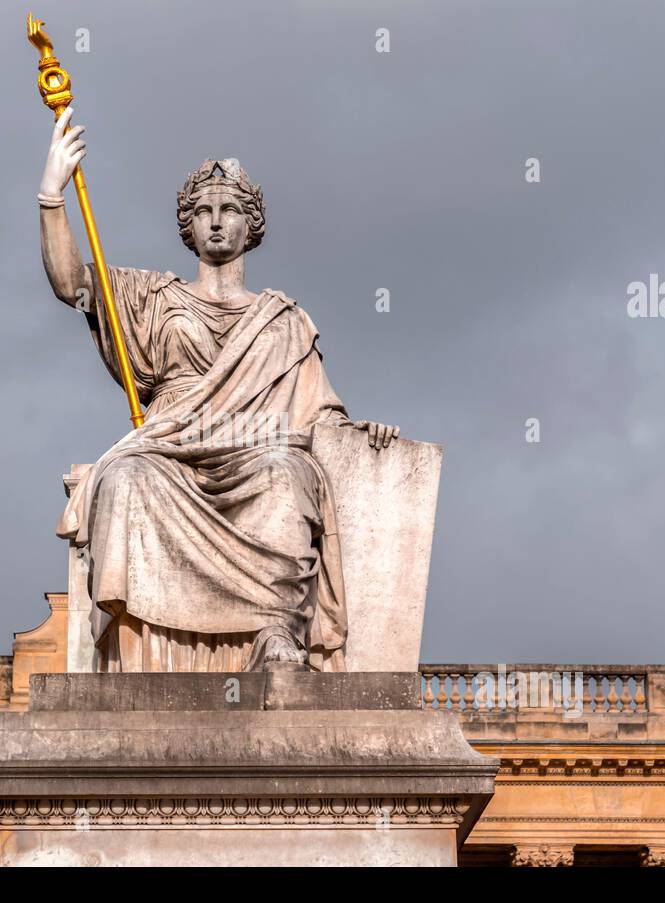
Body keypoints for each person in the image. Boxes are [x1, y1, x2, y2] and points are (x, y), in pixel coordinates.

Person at [37, 108, 398, 672]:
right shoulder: (152, 297)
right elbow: (72, 285)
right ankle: (138, 649)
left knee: (287, 473)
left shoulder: (284, 321)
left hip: (258, 450)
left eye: (229, 210)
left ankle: (275, 633)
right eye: (202, 211)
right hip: (170, 447)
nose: (215, 221)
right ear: (188, 225)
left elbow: (320, 416)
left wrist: (363, 434)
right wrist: (52, 196)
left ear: (251, 223)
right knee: (127, 477)